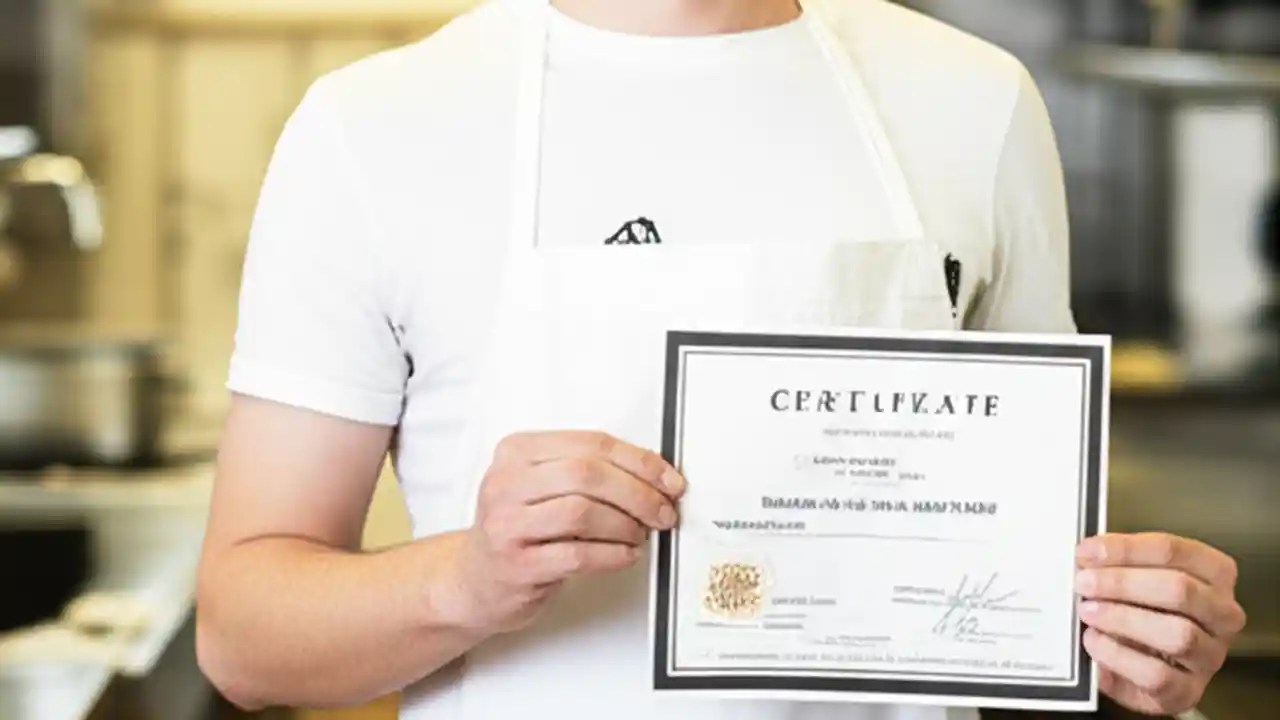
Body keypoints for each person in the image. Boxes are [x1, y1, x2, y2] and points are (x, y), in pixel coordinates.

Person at [195, 0, 1247, 718]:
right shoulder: (376, 127)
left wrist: (1136, 655)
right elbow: (243, 639)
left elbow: (1025, 608)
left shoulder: (971, 103)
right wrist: (469, 580)